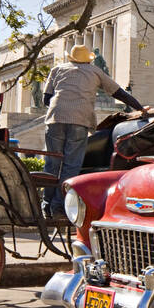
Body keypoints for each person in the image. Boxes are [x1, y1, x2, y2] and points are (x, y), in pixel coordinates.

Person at [42, 43, 146, 216]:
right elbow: (118, 92)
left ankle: (46, 205)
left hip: (55, 118)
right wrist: (139, 108)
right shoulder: (95, 71)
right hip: (79, 119)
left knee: (52, 165)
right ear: (88, 59)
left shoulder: (58, 69)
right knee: (71, 166)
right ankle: (58, 206)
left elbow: (46, 99)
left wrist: (62, 105)